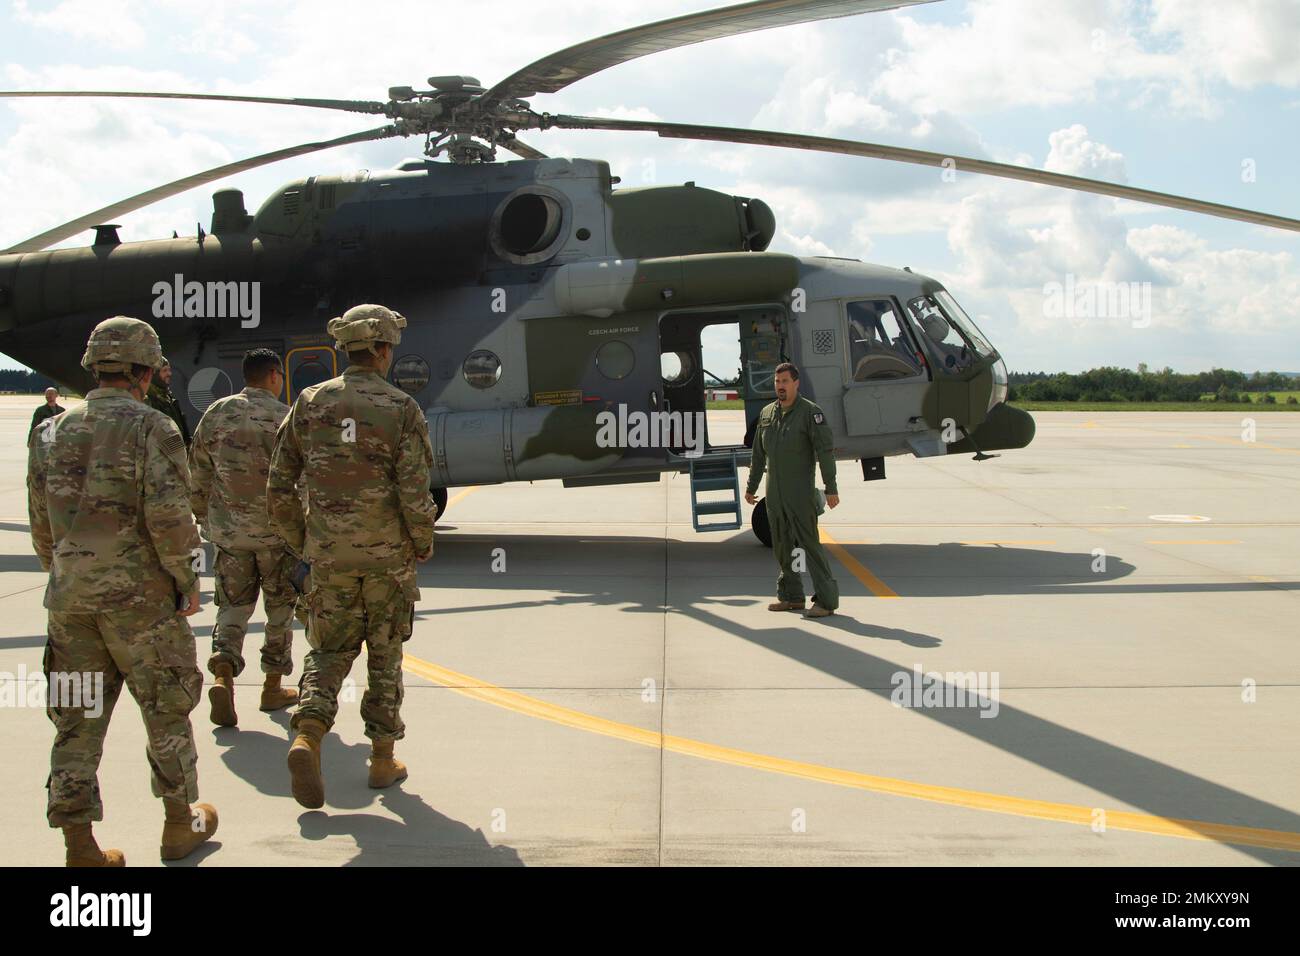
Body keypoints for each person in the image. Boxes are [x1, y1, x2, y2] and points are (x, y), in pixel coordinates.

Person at [27, 316, 217, 866]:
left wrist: (68, 576)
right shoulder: (153, 428)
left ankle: (79, 846)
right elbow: (169, 518)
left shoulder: (50, 430)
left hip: (71, 604)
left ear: (95, 367)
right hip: (141, 607)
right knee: (166, 713)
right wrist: (186, 582)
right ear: (145, 371)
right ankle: (180, 826)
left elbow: (42, 524)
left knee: (76, 725)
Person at [267, 304, 436, 809]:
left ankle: (309, 734)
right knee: (385, 655)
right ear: (383, 350)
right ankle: (382, 760)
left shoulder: (310, 403)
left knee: (327, 650)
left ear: (346, 349)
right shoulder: (401, 408)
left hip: (329, 558)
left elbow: (279, 486)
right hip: (387, 560)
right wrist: (421, 541)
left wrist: (304, 542)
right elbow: (413, 492)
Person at [190, 348, 298, 727]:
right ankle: (272, 686)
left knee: (232, 606)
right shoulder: (286, 417)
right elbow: (300, 479)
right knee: (280, 610)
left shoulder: (217, 413)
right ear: (273, 375)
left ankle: (223, 671)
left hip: (230, 533)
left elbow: (198, 471)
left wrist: (205, 518)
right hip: (276, 535)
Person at [744, 362, 841, 619]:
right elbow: (758, 455)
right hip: (775, 496)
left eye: (785, 382)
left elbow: (825, 453)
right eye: (777, 382)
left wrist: (831, 489)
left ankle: (826, 600)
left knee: (810, 546)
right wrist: (751, 487)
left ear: (796, 383)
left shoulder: (811, 413)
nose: (780, 387)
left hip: (800, 494)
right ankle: (791, 597)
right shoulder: (767, 414)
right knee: (782, 546)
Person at [148, 356, 192, 446]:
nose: (169, 374)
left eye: (169, 370)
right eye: (164, 371)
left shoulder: (168, 398)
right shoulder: (149, 400)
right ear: (154, 374)